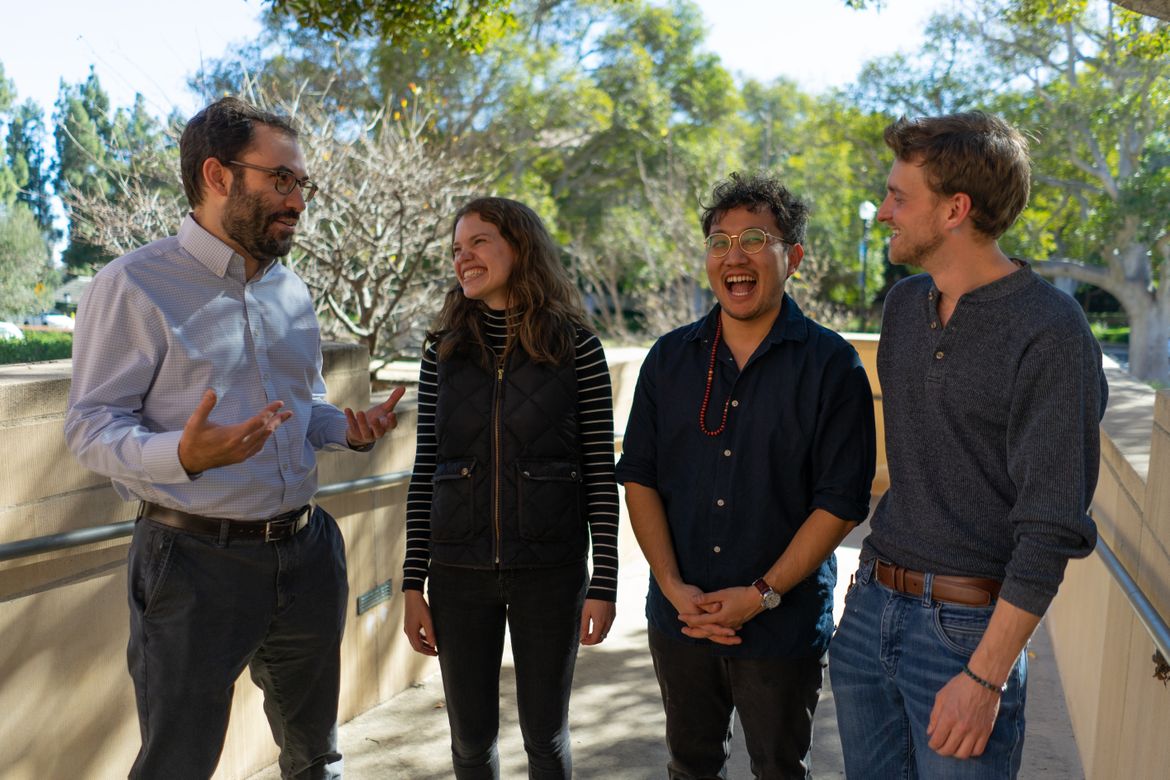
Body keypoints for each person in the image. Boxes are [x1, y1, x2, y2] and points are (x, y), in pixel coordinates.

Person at [64, 96, 405, 780]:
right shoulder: (132, 284)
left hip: (306, 554)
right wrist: (182, 455)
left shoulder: (293, 293)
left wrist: (346, 426)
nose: (298, 200)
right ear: (218, 176)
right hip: (192, 564)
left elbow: (302, 402)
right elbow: (90, 424)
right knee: (178, 764)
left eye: (301, 184)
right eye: (282, 180)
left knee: (317, 754)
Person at [829, 111, 1108, 779]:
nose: (883, 213)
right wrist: (862, 612)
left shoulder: (1051, 330)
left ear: (955, 209)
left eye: (899, 197)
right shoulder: (904, 308)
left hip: (964, 636)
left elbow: (1051, 525)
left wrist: (985, 677)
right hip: (871, 611)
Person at [615, 173, 876, 779]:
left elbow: (839, 502)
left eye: (756, 239)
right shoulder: (670, 358)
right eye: (719, 240)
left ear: (794, 258)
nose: (734, 255)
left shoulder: (831, 364)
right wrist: (674, 586)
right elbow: (641, 478)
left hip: (780, 626)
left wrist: (760, 596)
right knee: (690, 767)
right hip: (681, 618)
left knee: (781, 770)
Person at [400, 196, 619, 779]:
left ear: (519, 247)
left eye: (478, 242)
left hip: (550, 574)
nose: (463, 257)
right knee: (470, 742)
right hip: (456, 574)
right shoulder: (441, 352)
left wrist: (606, 582)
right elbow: (428, 468)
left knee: (545, 738)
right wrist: (411, 583)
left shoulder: (578, 349)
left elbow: (601, 470)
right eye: (455, 248)